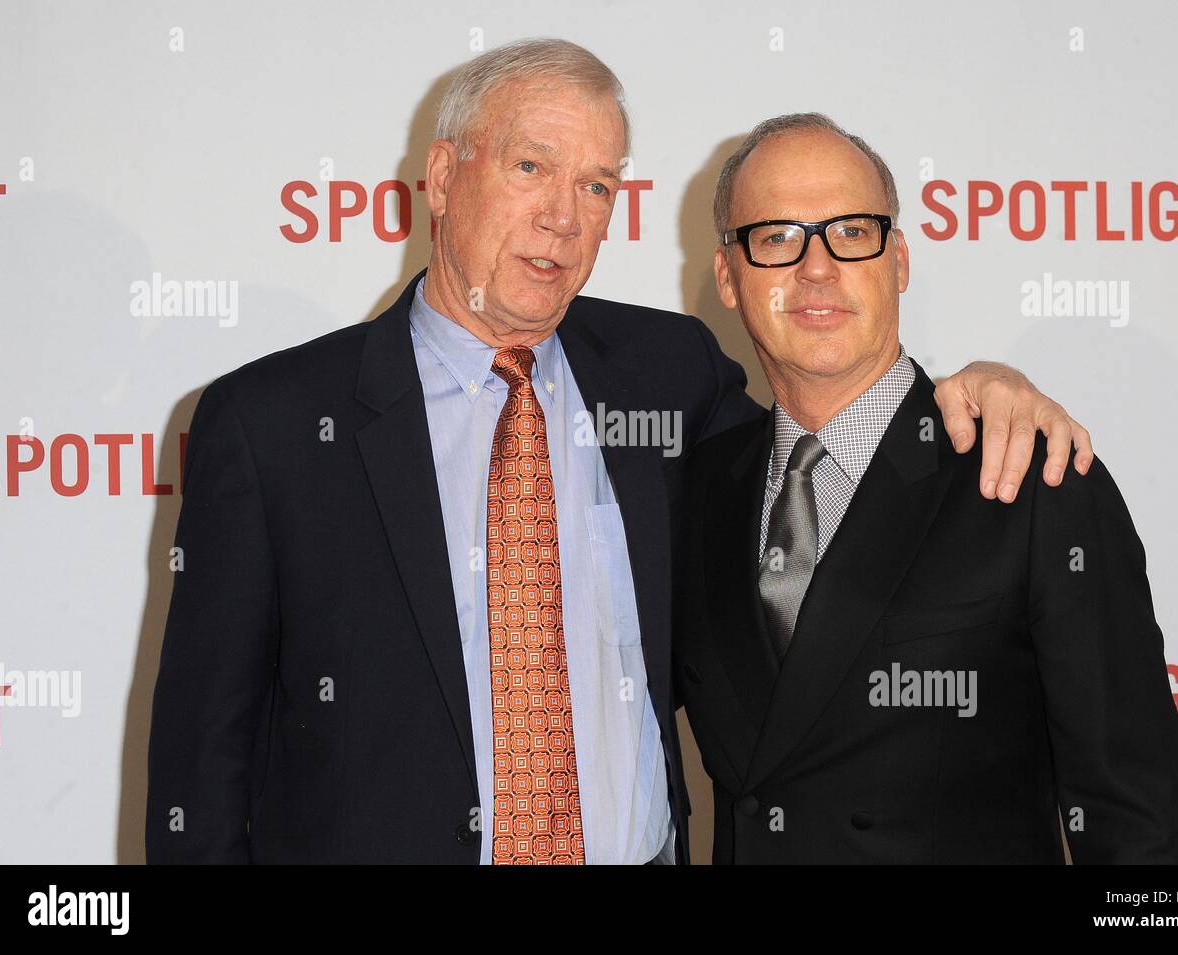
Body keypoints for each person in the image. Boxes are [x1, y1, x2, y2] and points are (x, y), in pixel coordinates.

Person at [146, 39, 1093, 865]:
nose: (566, 214)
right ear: (440, 177)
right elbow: (203, 763)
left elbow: (833, 444)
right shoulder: (269, 426)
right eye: (530, 166)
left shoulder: (668, 374)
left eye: (597, 184)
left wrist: (979, 386)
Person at [673, 112, 1178, 864]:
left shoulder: (1029, 475)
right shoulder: (695, 491)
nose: (816, 268)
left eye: (851, 231)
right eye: (777, 237)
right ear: (728, 275)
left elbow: (1137, 818)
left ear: (899, 260)